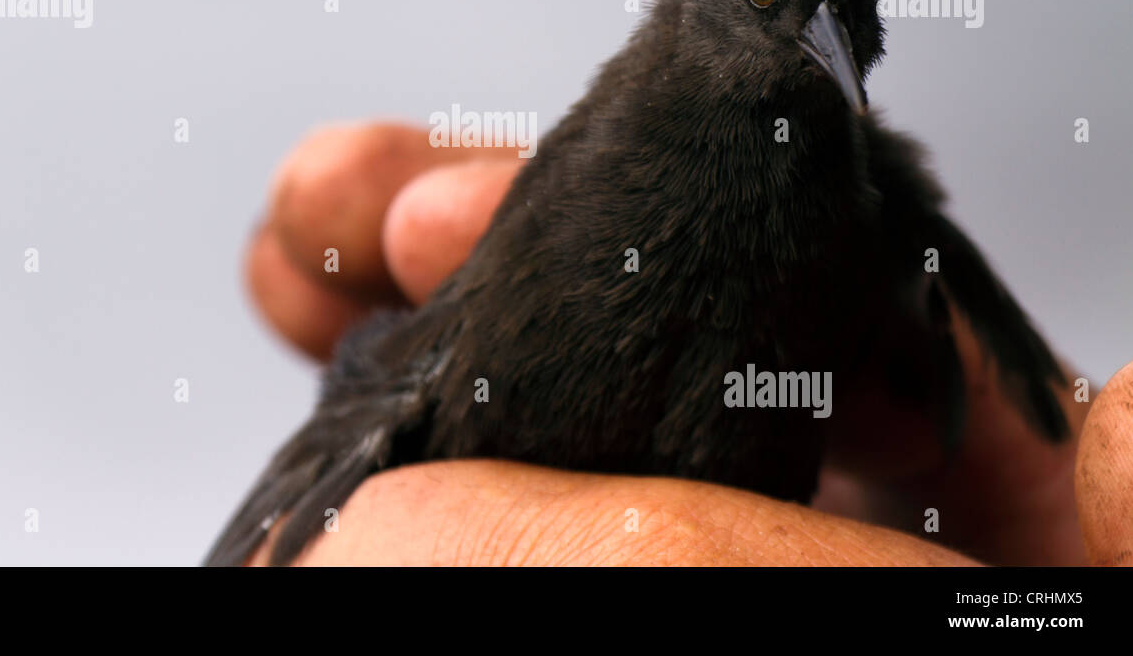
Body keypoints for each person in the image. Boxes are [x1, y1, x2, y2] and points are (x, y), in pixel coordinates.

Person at [239, 123, 1132, 566]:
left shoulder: (855, 189)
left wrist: (1030, 608)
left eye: (846, 26)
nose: (819, 44)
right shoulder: (597, 177)